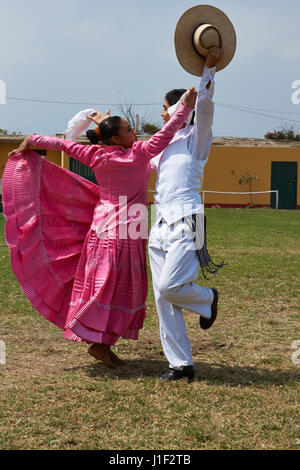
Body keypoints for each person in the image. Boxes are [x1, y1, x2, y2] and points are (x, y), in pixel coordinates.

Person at [3, 90, 196, 369]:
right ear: (116, 139)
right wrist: (185, 109)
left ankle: (102, 343)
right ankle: (97, 340)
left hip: (101, 227)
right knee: (115, 287)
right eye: (129, 128)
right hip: (125, 229)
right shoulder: (138, 154)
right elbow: (165, 135)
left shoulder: (94, 153)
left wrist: (31, 141)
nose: (135, 130)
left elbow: (62, 144)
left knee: (104, 284)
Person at [148, 47, 224, 381]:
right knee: (163, 301)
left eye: (166, 109)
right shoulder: (160, 144)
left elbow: (205, 107)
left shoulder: (197, 139)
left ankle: (208, 299)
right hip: (158, 227)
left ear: (180, 109)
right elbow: (132, 163)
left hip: (189, 222)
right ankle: (181, 364)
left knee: (169, 286)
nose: (162, 114)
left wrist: (208, 72)